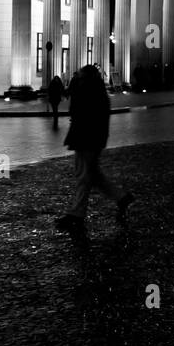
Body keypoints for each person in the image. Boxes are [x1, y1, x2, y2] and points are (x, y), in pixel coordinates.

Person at [55, 65, 134, 230]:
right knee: (92, 174)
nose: (78, 78)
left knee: (84, 176)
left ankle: (76, 214)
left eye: (81, 75)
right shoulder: (98, 93)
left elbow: (80, 114)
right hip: (90, 139)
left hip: (86, 139)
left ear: (86, 78)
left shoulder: (89, 93)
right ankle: (121, 197)